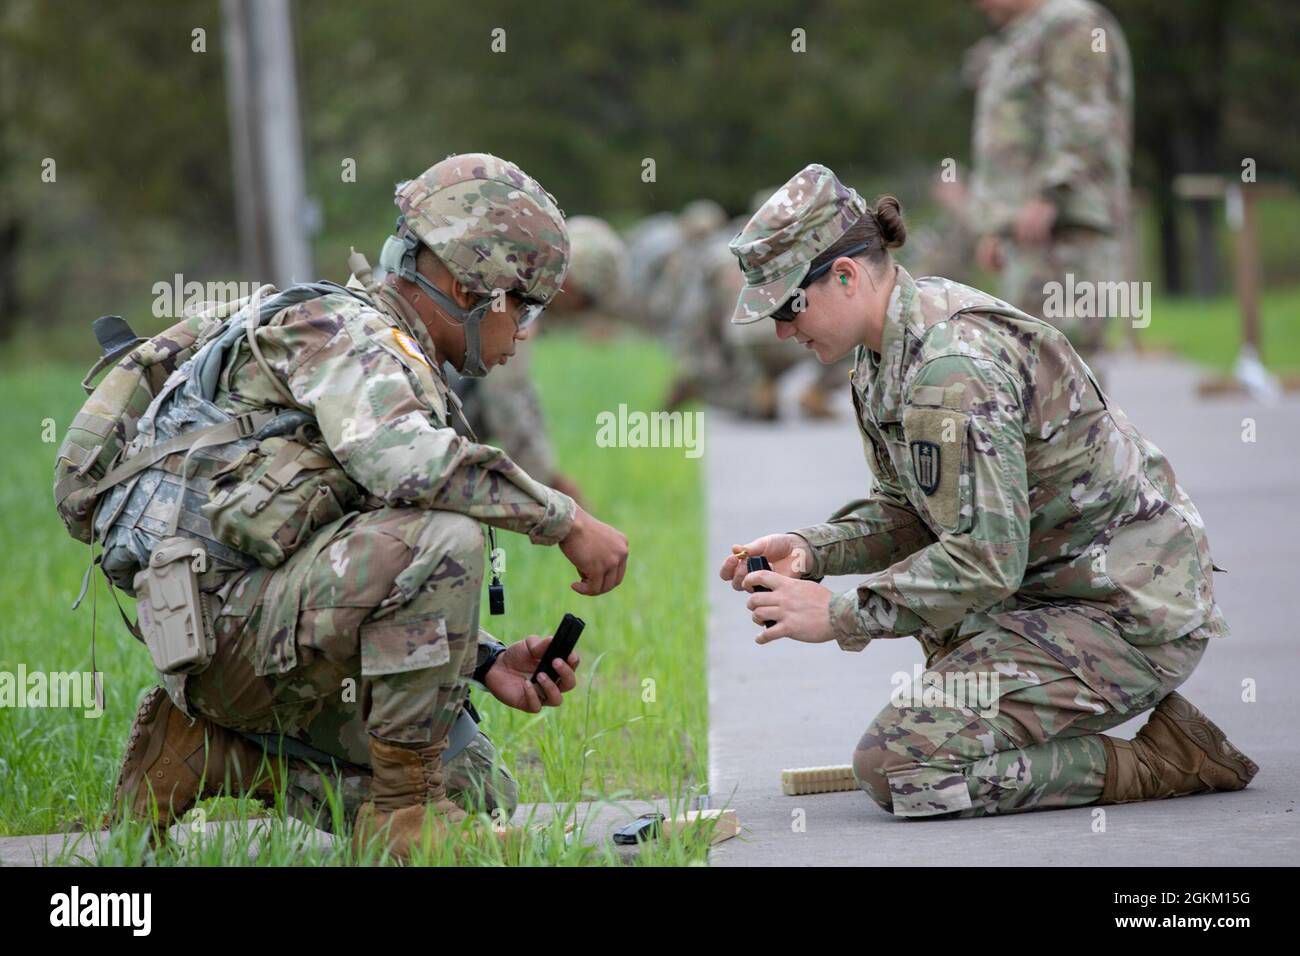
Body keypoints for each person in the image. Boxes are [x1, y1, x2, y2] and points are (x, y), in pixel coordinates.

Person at [106, 153, 629, 859]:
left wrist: (484, 659)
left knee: (478, 787)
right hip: (225, 637)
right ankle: (404, 816)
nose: (526, 330)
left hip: (257, 625)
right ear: (465, 285)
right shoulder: (348, 334)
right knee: (444, 536)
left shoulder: (392, 353)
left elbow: (341, 546)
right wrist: (565, 521)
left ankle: (207, 754)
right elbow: (408, 467)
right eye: (523, 305)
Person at [718, 163, 1256, 819]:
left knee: (899, 768)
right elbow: (911, 512)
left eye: (786, 307)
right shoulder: (885, 352)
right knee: (935, 654)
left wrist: (837, 615)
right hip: (1054, 592)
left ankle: (1164, 760)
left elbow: (984, 558)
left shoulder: (953, 367)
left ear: (846, 275)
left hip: (1126, 613)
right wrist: (812, 550)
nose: (780, 331)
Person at [970, 0, 1133, 368]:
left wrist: (1049, 194)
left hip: (1066, 231)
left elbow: (1083, 118)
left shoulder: (1071, 24)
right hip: (1034, 233)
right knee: (1029, 369)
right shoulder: (1022, 37)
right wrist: (998, 225)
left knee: (1064, 370)